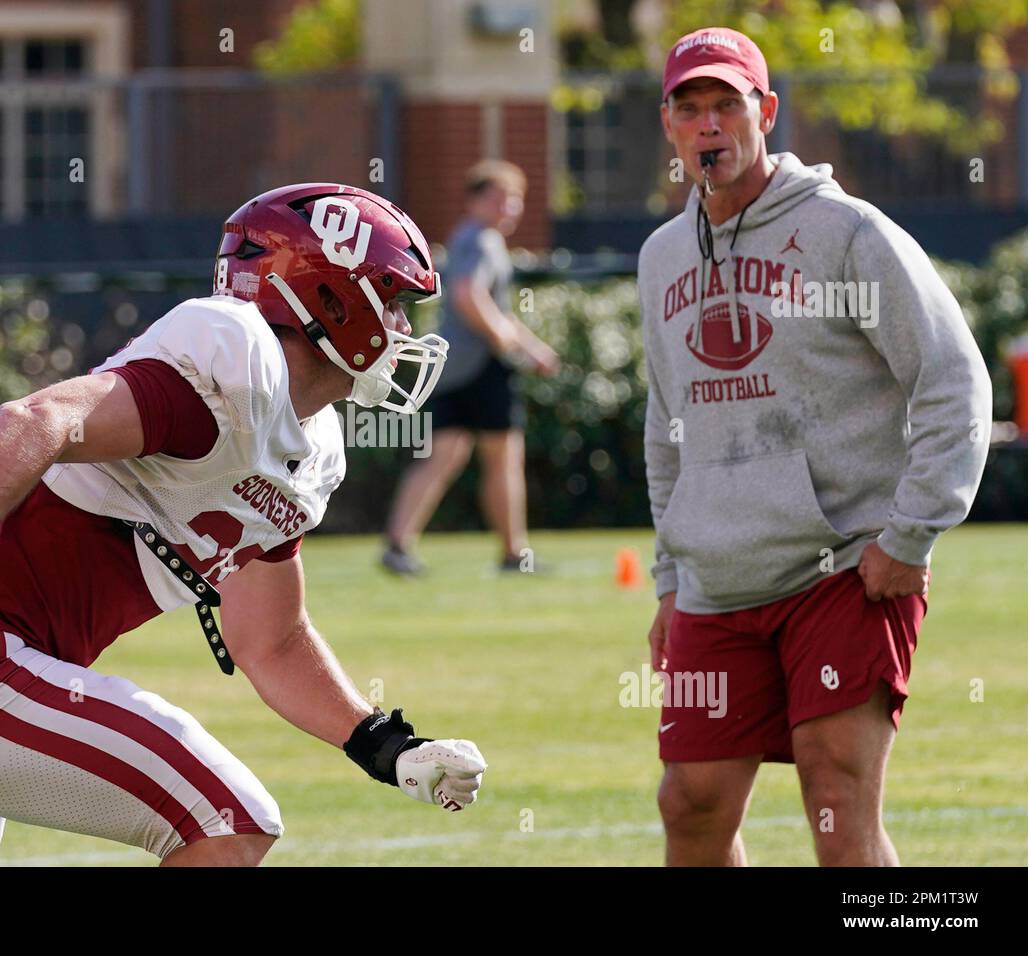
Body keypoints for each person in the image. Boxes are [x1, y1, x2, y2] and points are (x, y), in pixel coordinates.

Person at [0, 183, 487, 867]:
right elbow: (35, 420)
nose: (405, 330)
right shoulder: (232, 366)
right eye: (394, 304)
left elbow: (274, 642)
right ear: (330, 298)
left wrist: (386, 747)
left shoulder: (308, 449)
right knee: (229, 819)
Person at [640, 27, 992, 866]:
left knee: (835, 795)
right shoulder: (658, 258)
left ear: (765, 111)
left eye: (727, 104)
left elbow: (953, 380)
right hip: (716, 581)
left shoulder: (847, 231)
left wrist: (911, 536)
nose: (709, 125)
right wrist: (668, 576)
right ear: (669, 127)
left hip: (843, 569)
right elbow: (667, 428)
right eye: (690, 108)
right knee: (691, 804)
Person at [382, 160, 560, 576]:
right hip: (481, 368)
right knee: (503, 457)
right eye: (498, 199)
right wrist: (503, 341)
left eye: (513, 201)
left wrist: (531, 349)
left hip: (452, 366)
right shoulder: (481, 241)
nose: (508, 208)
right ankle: (514, 553)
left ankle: (398, 544)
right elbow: (468, 296)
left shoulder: (470, 239)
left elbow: (493, 309)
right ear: (474, 201)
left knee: (442, 456)